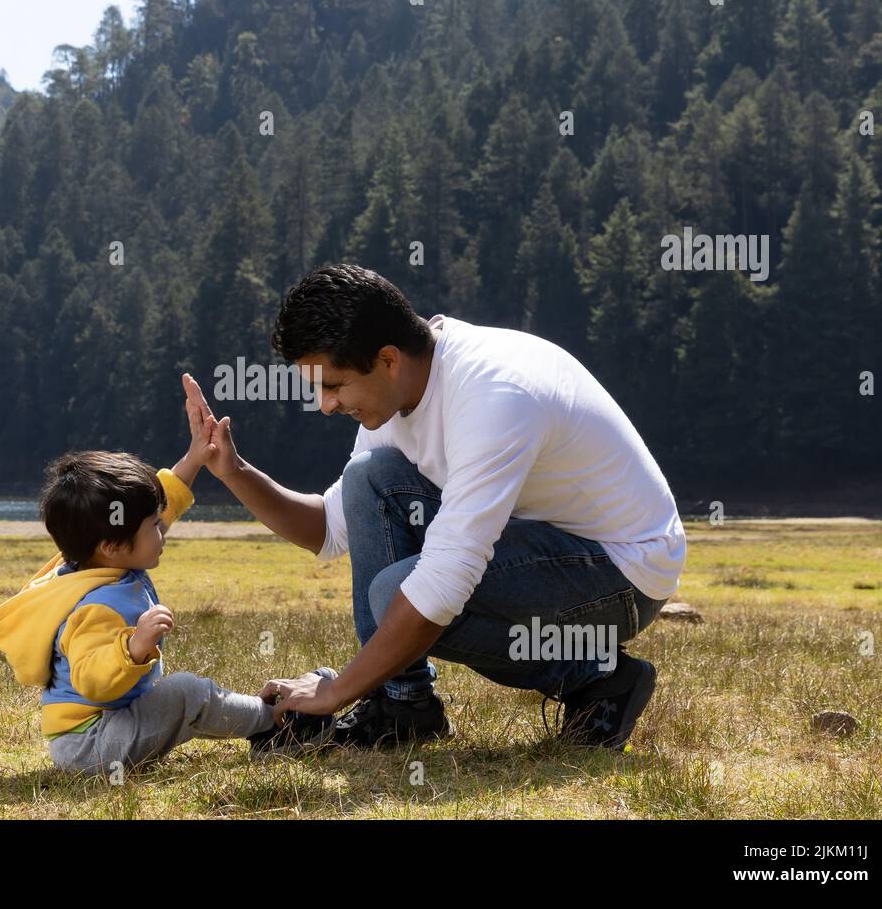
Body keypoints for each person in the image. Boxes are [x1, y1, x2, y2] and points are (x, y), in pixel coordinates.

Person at [184, 264, 686, 752]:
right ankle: (404, 709)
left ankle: (597, 676)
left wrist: (336, 691)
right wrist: (235, 473)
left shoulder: (494, 392)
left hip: (624, 573)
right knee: (367, 479)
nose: (326, 405)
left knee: (396, 591)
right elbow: (334, 529)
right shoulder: (397, 396)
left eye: (333, 385)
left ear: (388, 360)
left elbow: (447, 580)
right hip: (542, 546)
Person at [0, 436, 335, 774]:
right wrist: (132, 648)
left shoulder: (105, 555)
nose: (163, 530)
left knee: (185, 701)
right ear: (113, 545)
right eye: (154, 526)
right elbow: (91, 681)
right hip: (91, 745)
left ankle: (260, 718)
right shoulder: (96, 606)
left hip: (109, 726)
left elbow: (166, 503)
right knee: (186, 693)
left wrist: (195, 458)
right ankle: (274, 724)